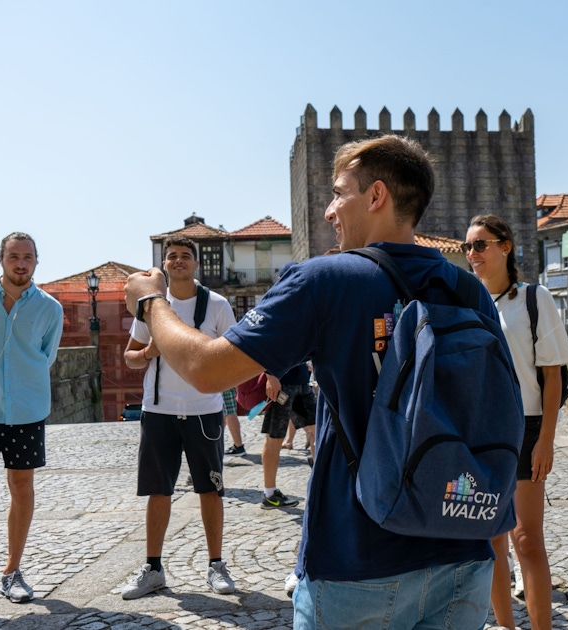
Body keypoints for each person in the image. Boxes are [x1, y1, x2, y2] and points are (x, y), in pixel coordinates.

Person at [124, 135, 508, 629]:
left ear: (376, 197)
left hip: (357, 557)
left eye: (338, 192)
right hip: (464, 550)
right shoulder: (468, 289)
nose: (329, 210)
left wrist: (152, 302)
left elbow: (206, 370)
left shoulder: (323, 279)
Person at [464, 214, 568, 630]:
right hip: (480, 429)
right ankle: (506, 627)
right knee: (490, 540)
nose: (472, 254)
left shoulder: (533, 298)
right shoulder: (467, 301)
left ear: (505, 246)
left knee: (526, 540)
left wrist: (546, 439)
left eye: (480, 244)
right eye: (467, 247)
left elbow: (553, 376)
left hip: (526, 428)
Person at [121, 236, 238, 600]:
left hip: (205, 411)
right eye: (171, 256)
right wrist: (148, 353)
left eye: (185, 256)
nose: (178, 261)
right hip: (159, 411)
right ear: (165, 265)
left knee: (211, 489)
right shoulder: (152, 306)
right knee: (158, 491)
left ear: (196, 264)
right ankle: (153, 568)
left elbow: (234, 352)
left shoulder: (217, 305)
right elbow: (129, 356)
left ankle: (216, 564)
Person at [0, 232, 63, 603]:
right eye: (13, 256)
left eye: (28, 257)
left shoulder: (50, 309)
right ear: (1, 259)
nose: (21, 263)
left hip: (25, 410)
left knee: (22, 487)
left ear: (36, 261)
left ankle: (12, 571)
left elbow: (46, 357)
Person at [259, 362, 316, 510]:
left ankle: (322, 484)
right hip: (281, 384)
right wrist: (270, 375)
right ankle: (269, 495)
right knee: (275, 438)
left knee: (317, 430)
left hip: (302, 380)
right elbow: (264, 344)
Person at [222, 387, 245, 456]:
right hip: (229, 381)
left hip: (224, 382)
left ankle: (239, 446)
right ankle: (216, 443)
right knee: (225, 412)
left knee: (229, 412)